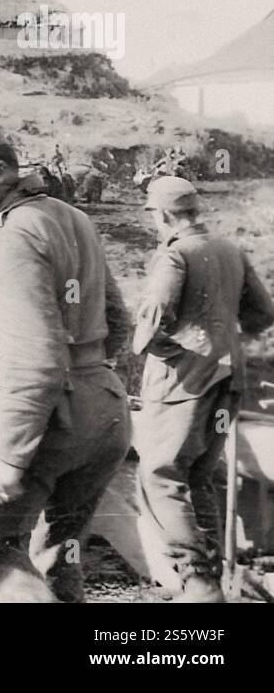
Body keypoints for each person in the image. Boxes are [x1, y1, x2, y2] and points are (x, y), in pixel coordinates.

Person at [0, 119, 131, 601]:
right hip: (105, 411)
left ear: (0, 170)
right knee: (60, 553)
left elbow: (38, 362)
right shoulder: (71, 216)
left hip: (50, 419)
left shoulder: (12, 236)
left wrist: (4, 453)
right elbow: (118, 322)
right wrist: (90, 380)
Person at [133, 176, 274, 602]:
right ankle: (214, 579)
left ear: (162, 215)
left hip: (184, 382)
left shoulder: (176, 255)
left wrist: (166, 348)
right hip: (227, 381)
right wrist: (222, 339)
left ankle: (198, 581)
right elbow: (262, 313)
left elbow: (152, 324)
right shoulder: (230, 250)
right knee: (198, 475)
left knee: (159, 474)